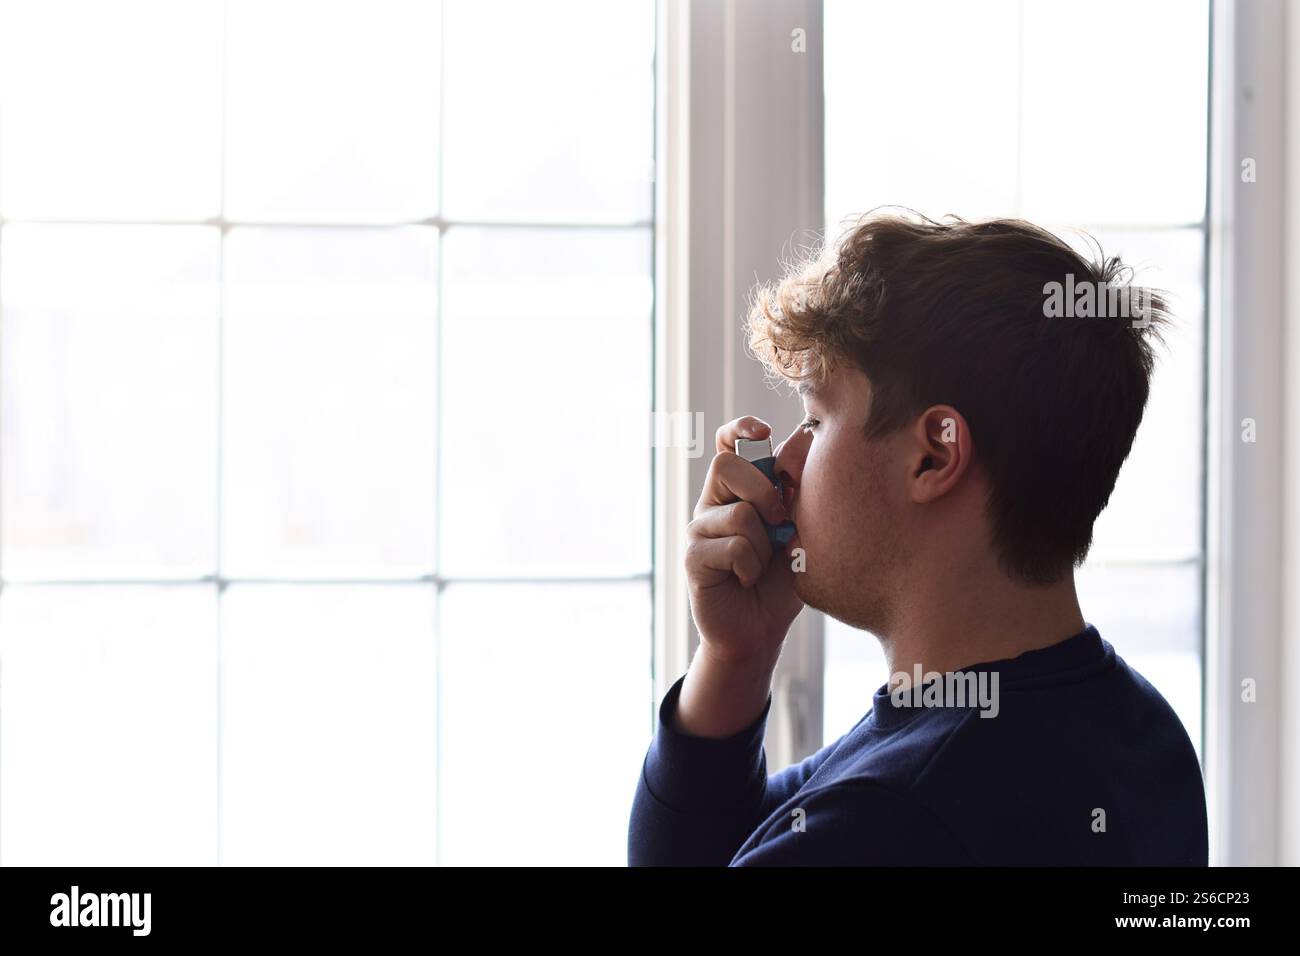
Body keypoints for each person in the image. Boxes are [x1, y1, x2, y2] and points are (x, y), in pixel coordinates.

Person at [628, 212, 1208, 866]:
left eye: (816, 420)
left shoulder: (884, 820)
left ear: (934, 455)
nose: (785, 462)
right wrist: (737, 656)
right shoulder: (1147, 738)